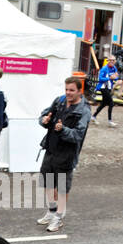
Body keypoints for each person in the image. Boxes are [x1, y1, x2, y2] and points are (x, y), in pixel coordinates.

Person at [37, 76, 92, 232]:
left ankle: (59, 217)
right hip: (51, 148)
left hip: (67, 154)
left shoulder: (84, 110)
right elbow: (44, 115)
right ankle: (51, 211)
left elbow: (78, 135)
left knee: (61, 188)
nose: (68, 93)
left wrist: (63, 130)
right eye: (66, 89)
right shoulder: (59, 100)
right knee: (47, 182)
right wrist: (44, 120)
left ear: (79, 91)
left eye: (71, 90)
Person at [93, 58, 118, 126]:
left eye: (113, 60)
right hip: (103, 87)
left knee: (104, 103)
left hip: (109, 87)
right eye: (110, 60)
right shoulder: (104, 69)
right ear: (108, 61)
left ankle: (93, 116)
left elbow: (116, 77)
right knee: (111, 103)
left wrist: (114, 77)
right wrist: (110, 78)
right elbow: (100, 78)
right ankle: (110, 121)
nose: (112, 61)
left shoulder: (114, 68)